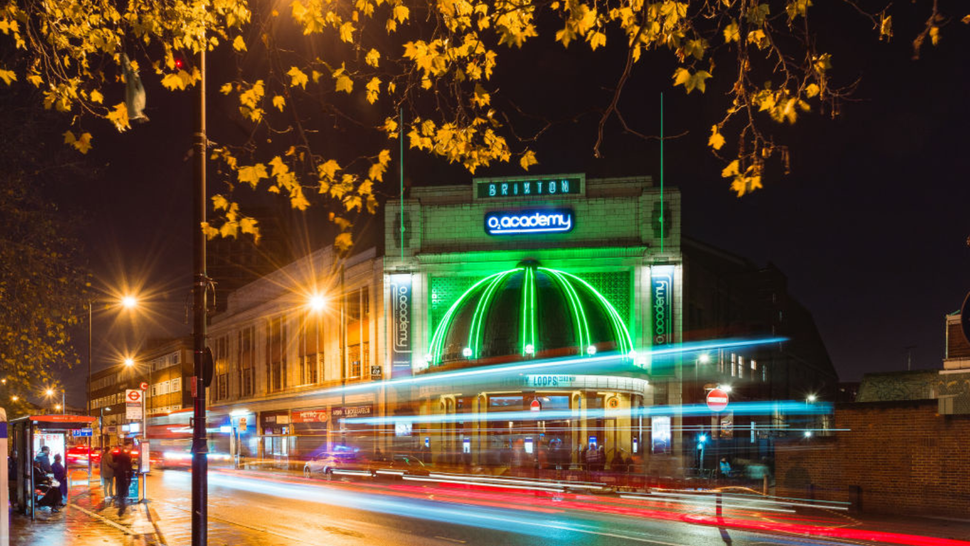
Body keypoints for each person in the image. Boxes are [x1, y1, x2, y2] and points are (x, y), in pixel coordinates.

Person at [112, 446, 133, 516]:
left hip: (119, 476)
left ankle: (121, 505)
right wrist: (130, 477)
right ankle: (123, 504)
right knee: (124, 490)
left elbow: (114, 463)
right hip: (125, 476)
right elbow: (130, 469)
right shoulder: (127, 458)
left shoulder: (117, 457)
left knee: (120, 491)